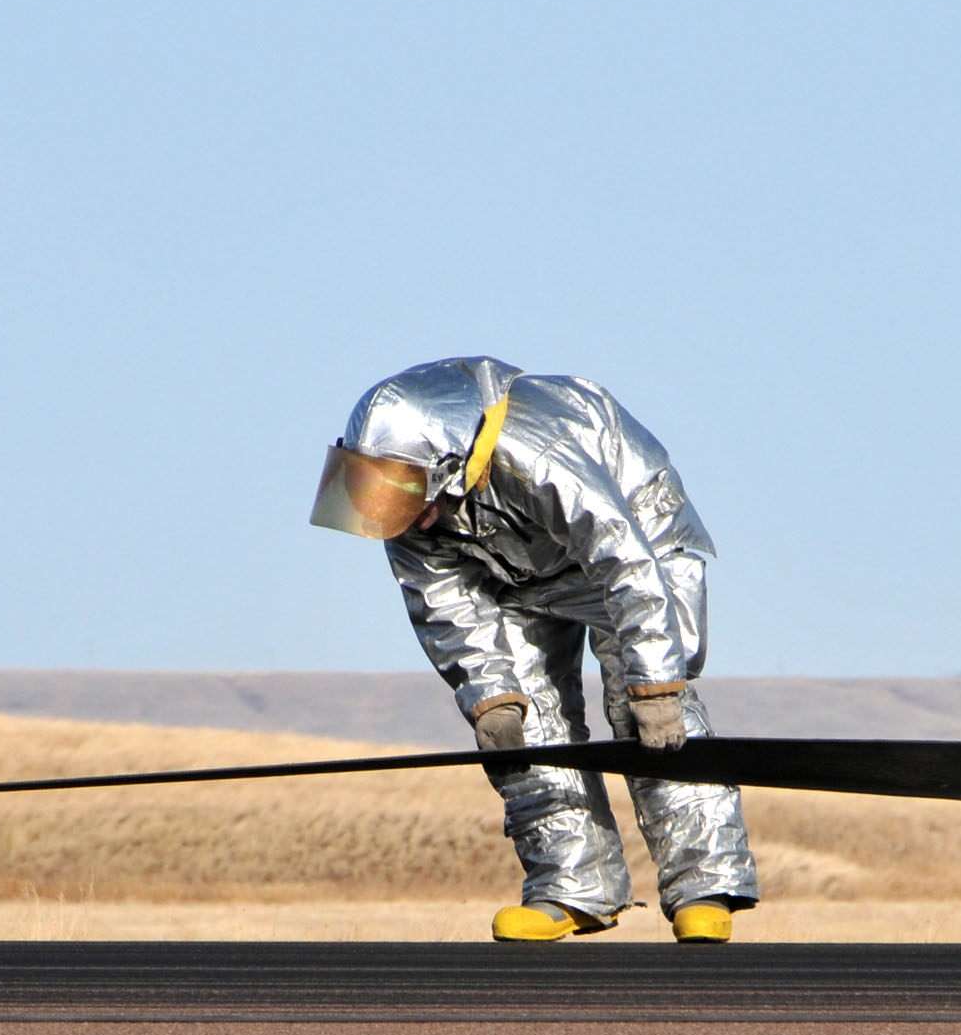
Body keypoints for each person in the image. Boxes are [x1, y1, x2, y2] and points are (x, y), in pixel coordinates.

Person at [310, 356, 759, 943]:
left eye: (400, 488)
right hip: (513, 577)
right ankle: (572, 887)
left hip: (637, 548)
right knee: (526, 722)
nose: (389, 507)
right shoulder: (405, 517)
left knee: (645, 711)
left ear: (445, 463)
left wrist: (656, 684)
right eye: (374, 489)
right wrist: (491, 697)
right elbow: (448, 608)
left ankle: (704, 887)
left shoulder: (536, 454)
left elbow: (623, 558)